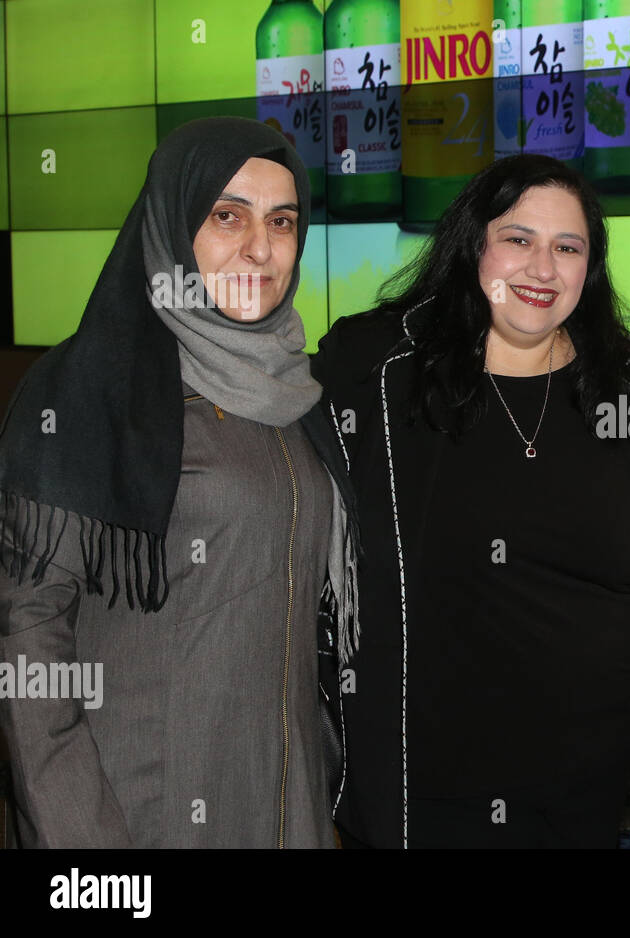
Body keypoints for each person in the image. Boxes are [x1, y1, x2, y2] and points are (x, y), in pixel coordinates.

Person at [0, 117, 357, 848]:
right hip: (137, 819)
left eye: (282, 221)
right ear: (168, 225)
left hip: (283, 810)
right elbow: (25, 642)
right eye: (228, 216)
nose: (260, 248)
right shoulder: (89, 390)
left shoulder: (295, 396)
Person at [313, 154, 630, 849]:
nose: (543, 268)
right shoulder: (378, 374)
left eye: (567, 248)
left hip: (586, 790)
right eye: (518, 239)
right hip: (426, 791)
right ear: (472, 245)